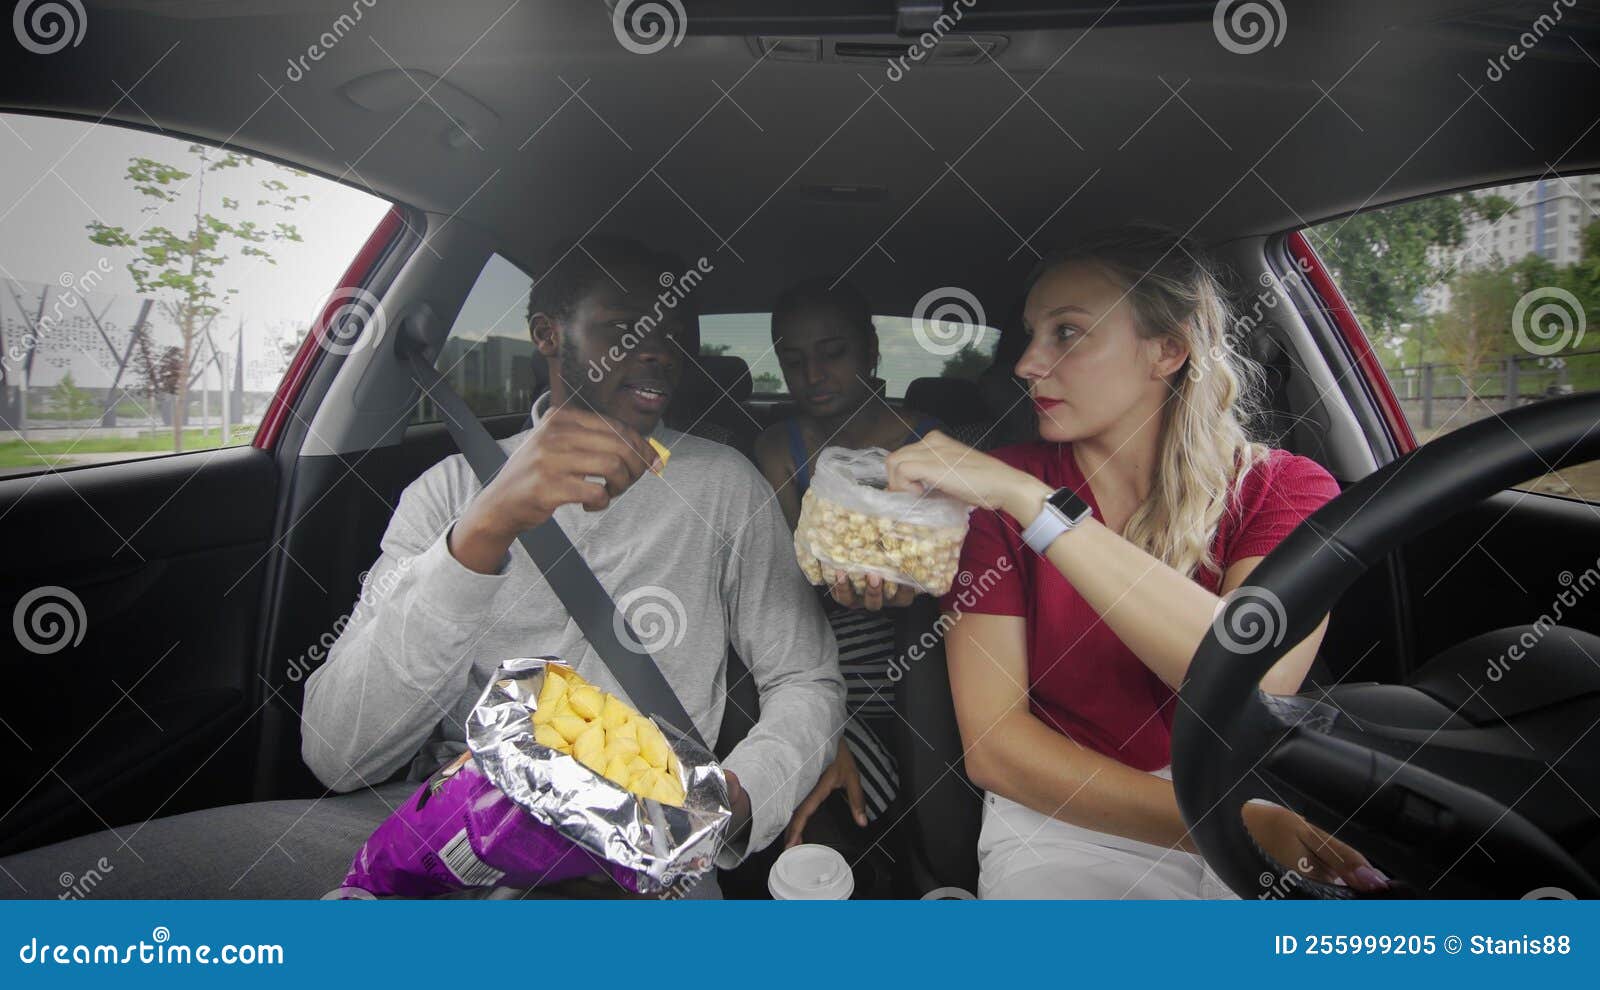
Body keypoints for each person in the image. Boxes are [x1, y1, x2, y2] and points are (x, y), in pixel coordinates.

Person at [0, 236, 844, 899]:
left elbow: (808, 678)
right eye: (627, 326)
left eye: (672, 331)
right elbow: (338, 753)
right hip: (437, 819)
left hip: (644, 847)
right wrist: (483, 533)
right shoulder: (447, 493)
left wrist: (727, 799)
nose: (659, 351)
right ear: (548, 336)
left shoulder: (725, 486)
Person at [881, 225, 1389, 899]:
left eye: (1066, 333)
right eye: (1030, 335)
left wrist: (1038, 507)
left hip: (1250, 794)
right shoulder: (998, 493)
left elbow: (1252, 678)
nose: (1028, 363)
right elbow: (997, 746)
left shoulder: (1285, 490)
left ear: (1168, 350)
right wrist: (1217, 820)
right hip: (1070, 814)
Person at [751, 278, 940, 847]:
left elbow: (952, 566)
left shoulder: (929, 441)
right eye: (793, 359)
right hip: (819, 643)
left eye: (833, 353)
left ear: (871, 350)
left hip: (928, 639)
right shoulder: (778, 448)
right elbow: (782, 583)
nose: (814, 375)